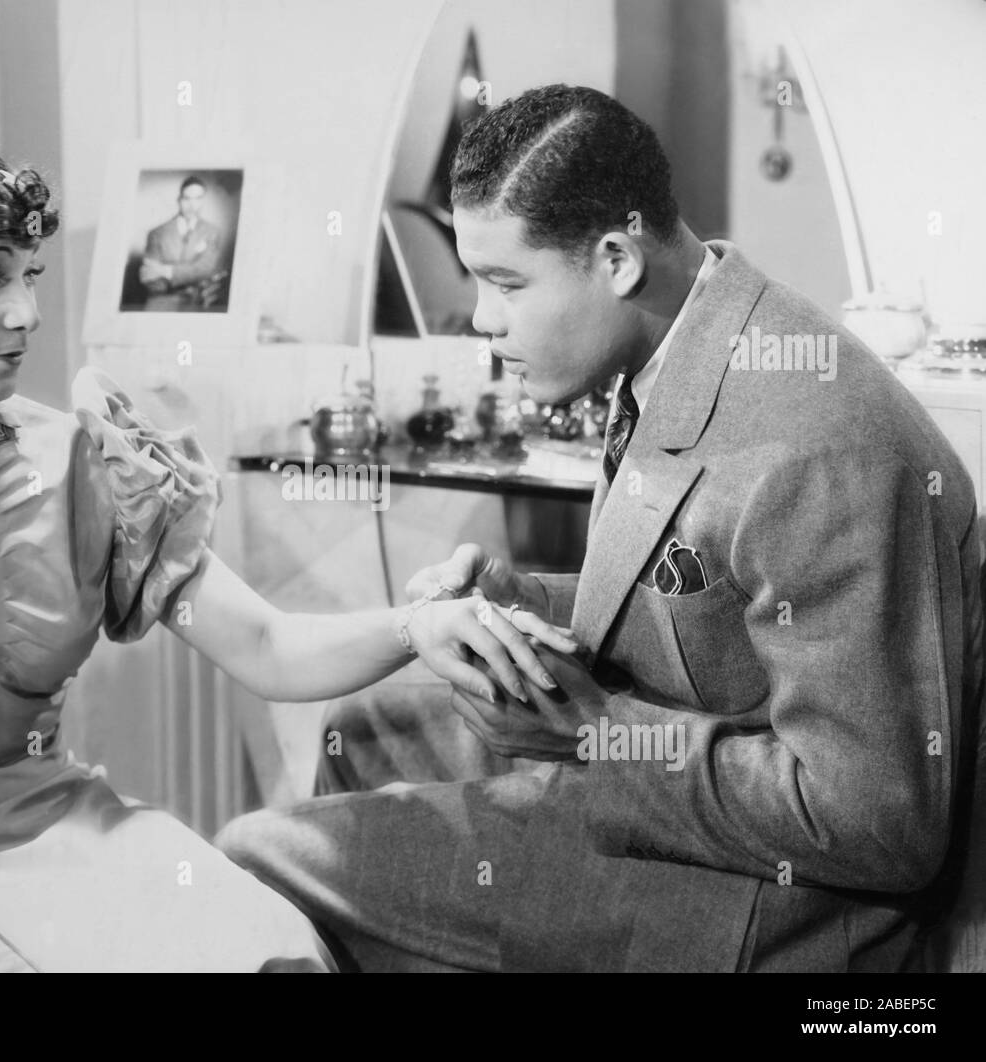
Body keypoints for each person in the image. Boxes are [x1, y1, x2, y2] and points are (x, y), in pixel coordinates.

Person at [0, 148, 570, 972]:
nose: (27, 312)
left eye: (30, 276)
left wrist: (419, 626)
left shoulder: (84, 463)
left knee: (265, 951)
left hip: (54, 825)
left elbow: (267, 647)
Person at [216, 84, 985, 972]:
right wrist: (526, 603)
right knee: (362, 727)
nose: (482, 319)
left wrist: (599, 735)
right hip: (680, 770)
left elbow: (878, 822)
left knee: (255, 857)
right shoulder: (680, 344)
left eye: (506, 283)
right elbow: (715, 601)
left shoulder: (817, 450)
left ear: (617, 259)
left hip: (775, 905)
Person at [138, 175, 227, 311]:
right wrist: (192, 275)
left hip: (197, 306)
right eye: (187, 198)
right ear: (179, 200)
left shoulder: (212, 232)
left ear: (203, 201)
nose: (192, 205)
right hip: (161, 306)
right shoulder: (157, 233)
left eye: (198, 198)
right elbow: (150, 279)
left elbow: (206, 269)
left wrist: (165, 271)